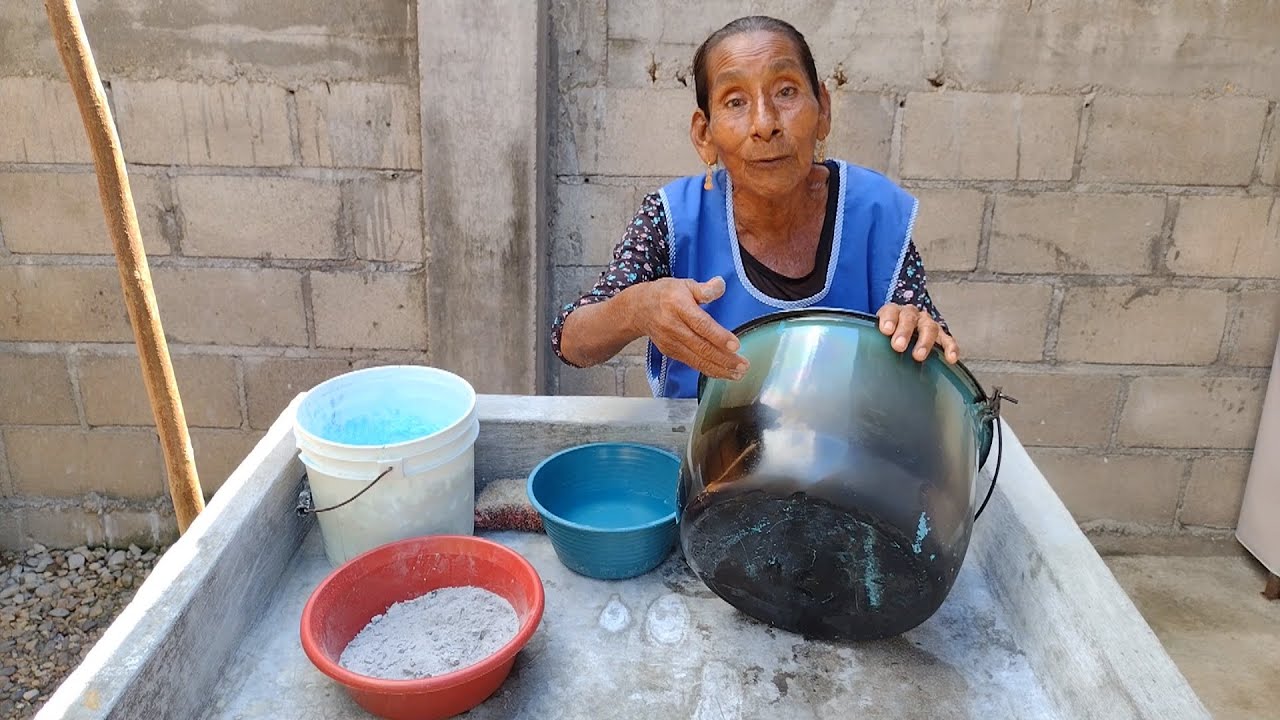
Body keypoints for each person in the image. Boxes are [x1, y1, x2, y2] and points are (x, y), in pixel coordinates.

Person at [551, 15, 958, 399]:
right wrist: (638, 308)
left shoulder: (873, 212)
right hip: (706, 460)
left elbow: (933, 355)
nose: (765, 123)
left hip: (846, 455)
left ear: (823, 110)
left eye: (786, 91)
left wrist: (920, 337)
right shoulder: (673, 219)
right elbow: (570, 339)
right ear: (704, 134)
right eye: (734, 101)